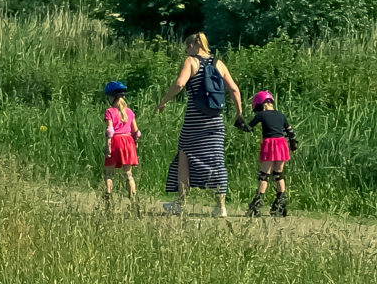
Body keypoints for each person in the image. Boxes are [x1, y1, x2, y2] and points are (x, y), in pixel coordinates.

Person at [154, 32, 238, 218]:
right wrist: (239, 113)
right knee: (217, 160)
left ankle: (181, 202)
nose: (187, 50)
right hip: (216, 121)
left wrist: (163, 101)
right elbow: (233, 88)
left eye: (187, 47)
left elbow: (180, 84)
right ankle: (221, 206)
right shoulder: (219, 63)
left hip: (194, 121)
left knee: (184, 156)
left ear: (194, 45)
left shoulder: (191, 61)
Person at [236, 90, 297, 218]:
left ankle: (256, 205)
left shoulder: (261, 115)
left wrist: (239, 123)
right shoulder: (281, 115)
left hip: (269, 144)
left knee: (264, 175)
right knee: (278, 174)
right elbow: (291, 133)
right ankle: (280, 204)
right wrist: (293, 145)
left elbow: (249, 128)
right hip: (281, 144)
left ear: (262, 105)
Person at [101, 80, 140, 206]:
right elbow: (136, 132)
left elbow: (110, 130)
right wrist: (135, 142)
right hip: (128, 142)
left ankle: (108, 194)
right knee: (128, 173)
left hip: (116, 141)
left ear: (112, 97)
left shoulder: (110, 111)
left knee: (109, 172)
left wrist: (108, 145)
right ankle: (133, 197)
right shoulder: (130, 112)